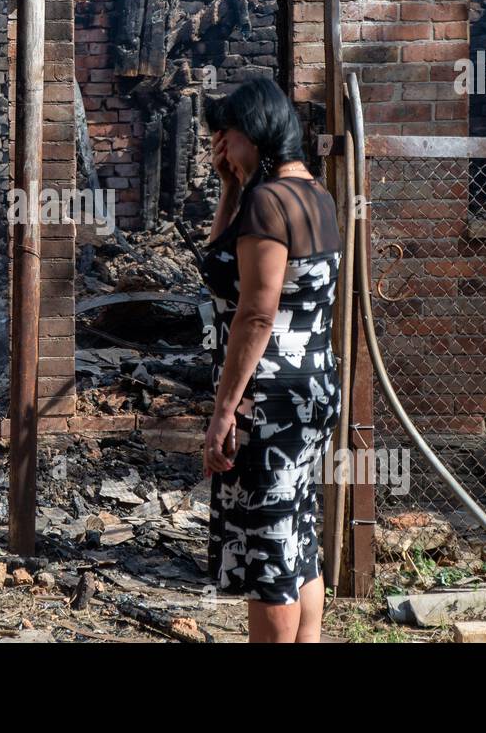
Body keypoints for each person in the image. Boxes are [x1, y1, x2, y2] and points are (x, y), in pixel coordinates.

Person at [198, 77, 343, 643]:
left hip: (269, 402)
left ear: (253, 134)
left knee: (268, 558)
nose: (219, 146)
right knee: (298, 539)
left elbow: (255, 315)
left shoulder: (267, 202)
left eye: (224, 134)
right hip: (313, 389)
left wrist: (222, 412)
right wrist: (229, 188)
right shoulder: (317, 196)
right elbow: (222, 266)